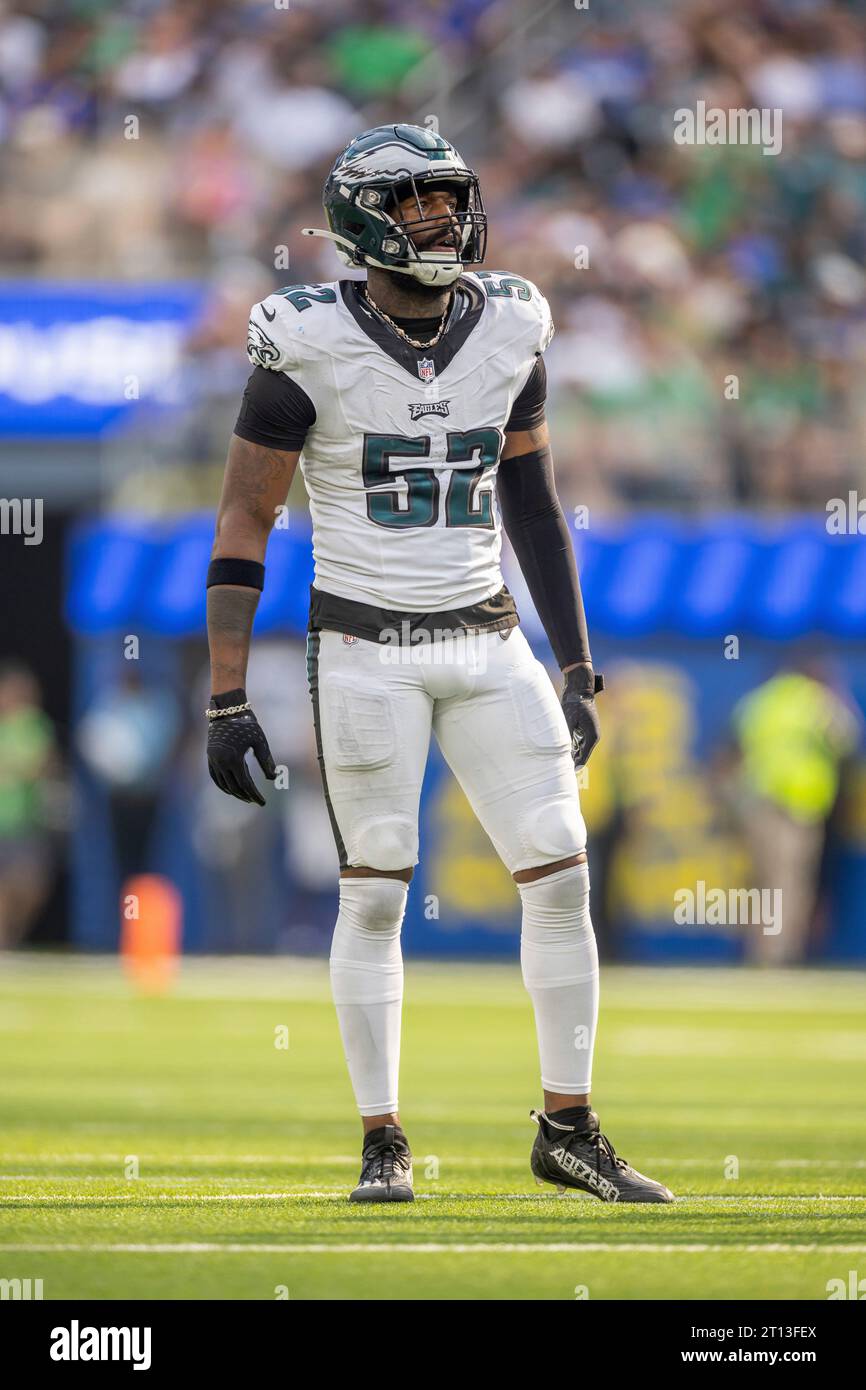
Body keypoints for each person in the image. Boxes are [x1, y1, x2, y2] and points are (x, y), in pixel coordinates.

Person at [205, 124, 673, 1204]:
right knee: (374, 892)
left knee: (560, 868)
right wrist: (226, 693)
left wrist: (572, 665)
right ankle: (382, 1138)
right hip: (364, 644)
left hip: (487, 630)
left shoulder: (510, 319)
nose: (439, 219)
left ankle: (568, 1126)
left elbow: (532, 497)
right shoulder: (306, 336)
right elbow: (246, 513)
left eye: (447, 198)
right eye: (413, 202)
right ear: (364, 215)